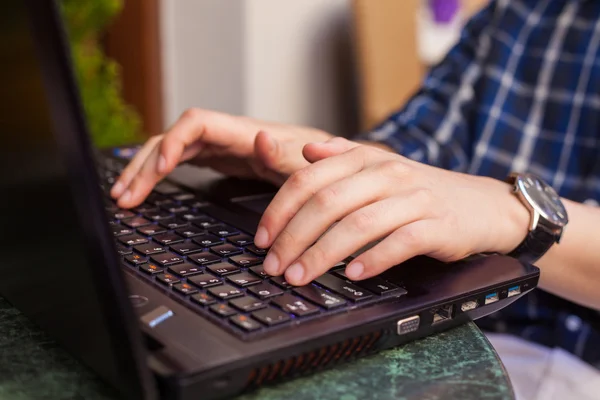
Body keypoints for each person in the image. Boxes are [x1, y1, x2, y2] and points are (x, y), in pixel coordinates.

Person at [111, 1, 600, 398]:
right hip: (457, 328)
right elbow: (416, 144)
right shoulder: (520, 15)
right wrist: (316, 153)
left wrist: (514, 212)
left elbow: (472, 198)